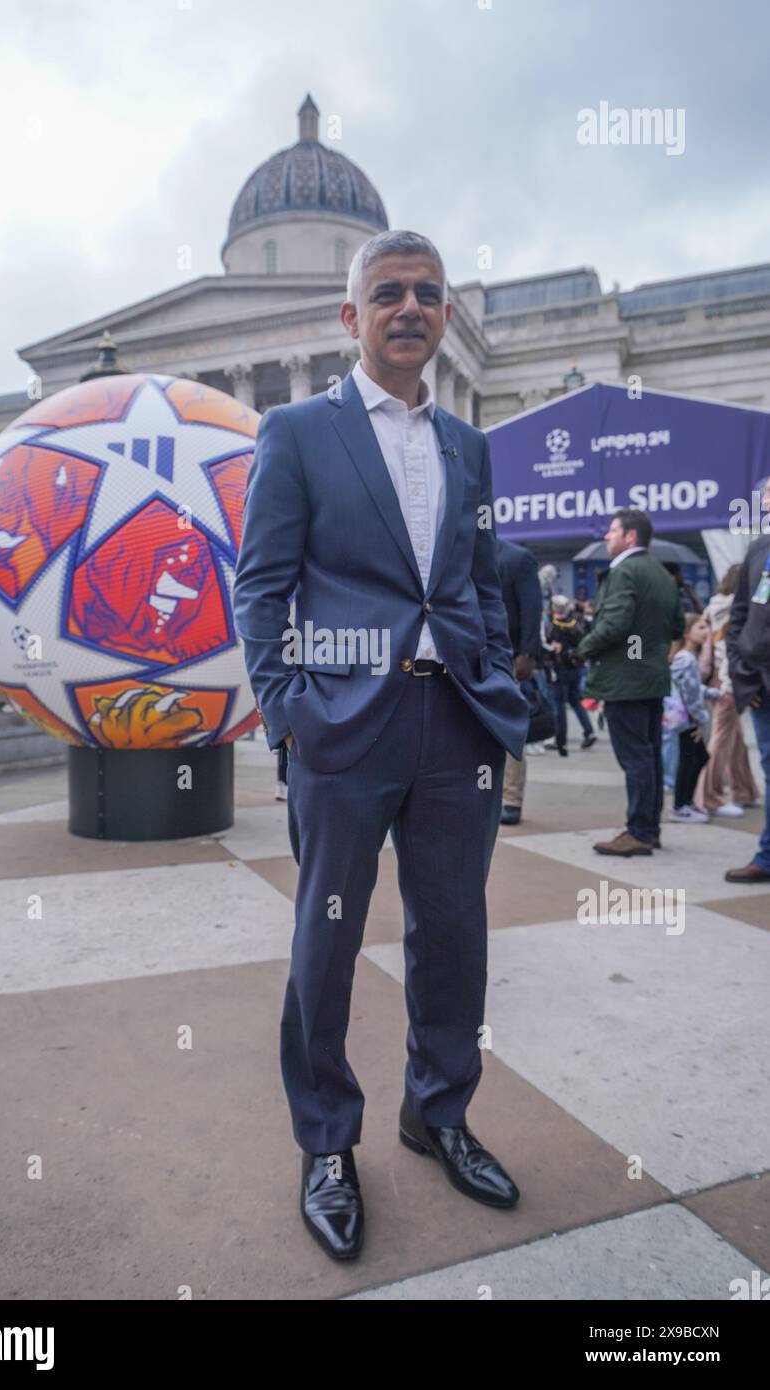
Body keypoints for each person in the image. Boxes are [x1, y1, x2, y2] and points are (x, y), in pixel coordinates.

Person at [234, 229, 529, 1261]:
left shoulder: (469, 446)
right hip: (343, 730)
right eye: (389, 292)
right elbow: (261, 584)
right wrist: (286, 706)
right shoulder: (297, 431)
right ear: (348, 317)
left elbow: (480, 577)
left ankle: (437, 1110)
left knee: (454, 933)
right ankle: (326, 1142)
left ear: (445, 316)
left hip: (455, 722)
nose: (411, 306)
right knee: (328, 937)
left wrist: (496, 680)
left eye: (428, 294)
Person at [576, 508, 684, 856]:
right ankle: (648, 828)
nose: (606, 536)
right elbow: (678, 626)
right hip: (653, 678)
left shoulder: (624, 571)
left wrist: (582, 648)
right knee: (649, 754)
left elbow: (615, 623)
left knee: (636, 758)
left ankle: (638, 831)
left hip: (624, 679)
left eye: (612, 531)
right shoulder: (662, 574)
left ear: (630, 536)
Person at [724, 476, 770, 884]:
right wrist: (742, 674)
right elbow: (739, 616)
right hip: (758, 685)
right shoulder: (758, 550)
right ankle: (767, 857)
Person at [695, 565, 758, 817]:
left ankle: (744, 790)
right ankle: (707, 796)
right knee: (722, 739)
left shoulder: (713, 608)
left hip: (717, 677)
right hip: (730, 678)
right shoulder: (740, 608)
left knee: (734, 740)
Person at [496, 536, 543, 824]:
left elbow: (532, 608)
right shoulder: (459, 554)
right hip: (467, 657)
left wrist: (527, 653)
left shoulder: (517, 558)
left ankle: (511, 798)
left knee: (508, 730)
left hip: (507, 657)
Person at [666, 613, 720, 822]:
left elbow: (694, 688)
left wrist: (714, 693)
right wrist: (700, 719)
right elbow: (690, 693)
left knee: (697, 757)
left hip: (687, 717)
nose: (706, 632)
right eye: (700, 628)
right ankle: (681, 806)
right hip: (687, 718)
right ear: (687, 634)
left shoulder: (686, 658)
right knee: (690, 759)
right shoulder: (685, 659)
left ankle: (685, 803)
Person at [545, 594, 596, 756]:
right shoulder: (576, 624)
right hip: (576, 668)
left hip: (560, 670)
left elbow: (548, 646)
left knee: (559, 705)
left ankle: (561, 741)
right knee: (575, 700)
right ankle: (589, 731)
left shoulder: (553, 626)